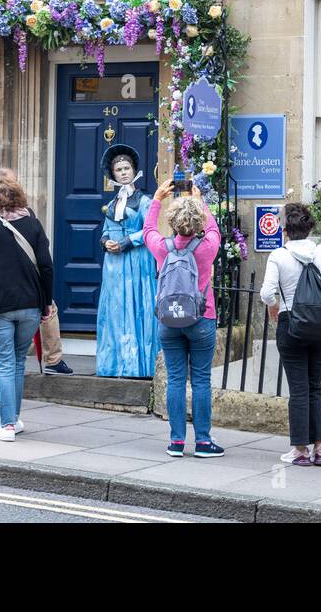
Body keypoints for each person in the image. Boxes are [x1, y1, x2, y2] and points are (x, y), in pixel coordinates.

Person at [259, 202, 321, 466]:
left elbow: (267, 293)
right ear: (309, 226)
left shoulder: (278, 255)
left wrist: (275, 305)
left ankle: (300, 450)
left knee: (298, 389)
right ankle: (320, 449)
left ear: (285, 230)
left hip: (292, 325)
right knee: (314, 387)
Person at [0, 171, 54, 441]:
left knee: (5, 363)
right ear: (20, 195)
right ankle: (14, 420)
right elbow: (47, 266)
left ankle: (6, 425)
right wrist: (47, 303)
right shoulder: (34, 223)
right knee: (17, 363)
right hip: (30, 303)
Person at [144, 177, 224, 458]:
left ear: (173, 222)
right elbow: (214, 229)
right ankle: (203, 441)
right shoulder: (207, 247)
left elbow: (147, 230)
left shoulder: (162, 247)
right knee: (201, 380)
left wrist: (156, 199)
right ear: (198, 221)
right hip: (201, 318)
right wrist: (201, 200)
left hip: (168, 319)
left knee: (176, 379)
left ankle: (176, 441)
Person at [0, 168, 73, 376]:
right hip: (24, 283)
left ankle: (3, 382)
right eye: (15, 182)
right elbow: (44, 258)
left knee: (1, 335)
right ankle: (52, 359)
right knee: (45, 311)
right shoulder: (27, 216)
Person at [96, 145, 159, 378]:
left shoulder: (145, 201)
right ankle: (113, 365)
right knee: (115, 310)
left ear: (134, 171)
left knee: (137, 307)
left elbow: (149, 231)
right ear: (112, 174)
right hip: (113, 266)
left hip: (136, 261)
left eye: (126, 168)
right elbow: (105, 229)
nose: (123, 172)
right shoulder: (112, 204)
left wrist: (124, 242)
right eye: (118, 169)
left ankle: (137, 366)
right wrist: (105, 243)